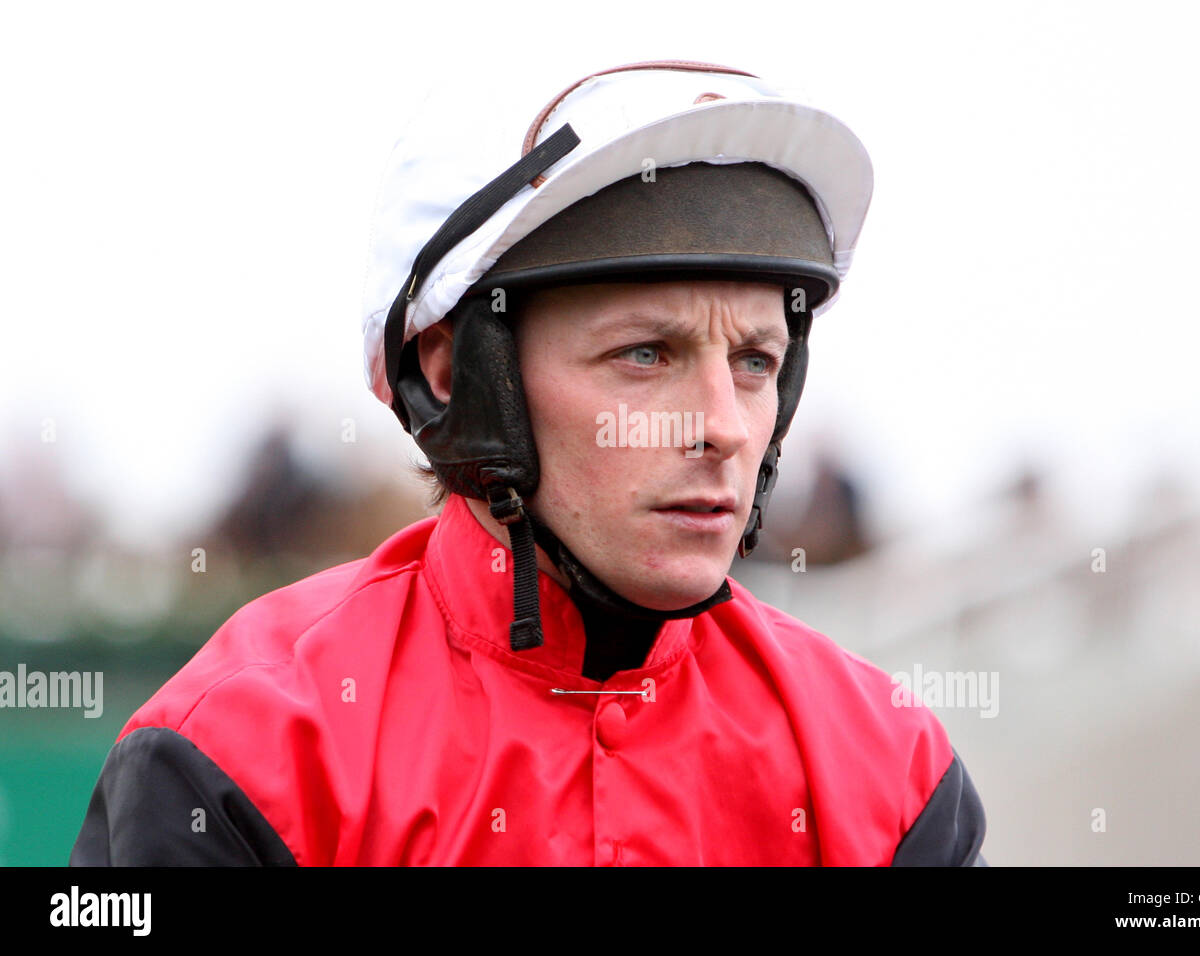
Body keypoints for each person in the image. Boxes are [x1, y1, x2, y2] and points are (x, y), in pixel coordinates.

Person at [70, 61, 988, 866]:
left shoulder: (891, 771)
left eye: (754, 362)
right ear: (455, 375)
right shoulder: (239, 753)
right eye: (646, 355)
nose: (725, 427)